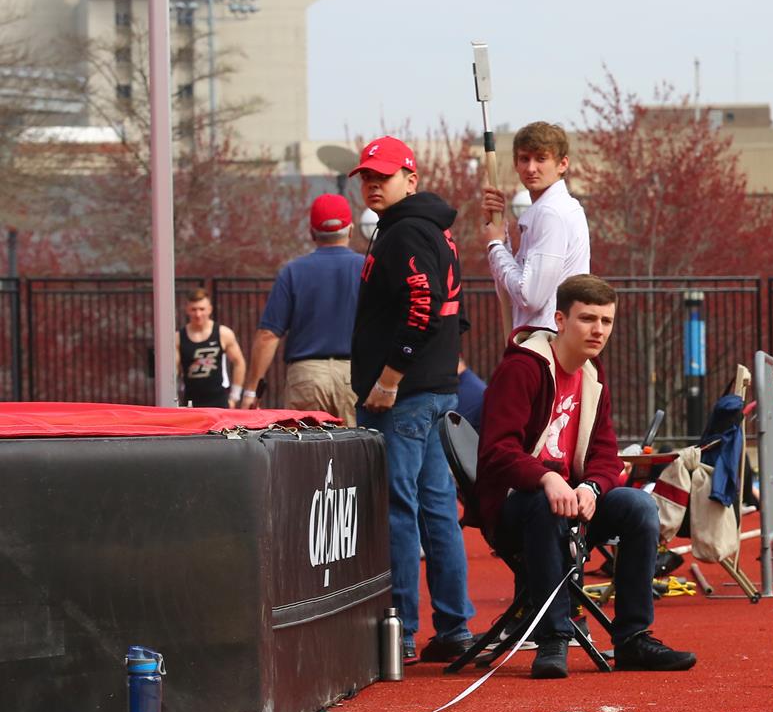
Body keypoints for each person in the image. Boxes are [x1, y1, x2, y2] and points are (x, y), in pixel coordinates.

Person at [474, 275, 696, 679]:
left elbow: (606, 455)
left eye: (607, 321)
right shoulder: (522, 369)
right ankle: (555, 635)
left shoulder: (593, 377)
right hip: (516, 509)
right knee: (545, 503)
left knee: (639, 506)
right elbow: (496, 451)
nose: (598, 330)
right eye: (587, 318)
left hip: (574, 504)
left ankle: (631, 638)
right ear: (560, 319)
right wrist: (545, 478)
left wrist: (592, 486)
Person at [349, 134, 475, 663]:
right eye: (367, 177)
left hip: (405, 395)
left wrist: (390, 376)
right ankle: (453, 626)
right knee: (437, 510)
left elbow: (420, 309)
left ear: (411, 178)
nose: (374, 184)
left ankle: (399, 631)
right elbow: (448, 310)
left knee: (400, 509)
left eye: (384, 175)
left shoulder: (405, 233)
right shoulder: (431, 229)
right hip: (432, 389)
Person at [238, 194, 366, 423]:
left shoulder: (293, 271)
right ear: (351, 230)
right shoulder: (366, 268)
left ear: (311, 232)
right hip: (355, 373)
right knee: (356, 454)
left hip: (306, 375)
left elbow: (268, 335)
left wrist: (251, 389)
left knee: (307, 454)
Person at [479, 121, 591, 335]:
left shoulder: (551, 213)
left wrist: (496, 246)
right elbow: (514, 289)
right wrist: (500, 237)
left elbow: (529, 297)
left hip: (545, 345)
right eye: (524, 159)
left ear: (562, 164)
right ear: (515, 164)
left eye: (541, 159)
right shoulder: (559, 208)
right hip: (552, 342)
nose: (531, 168)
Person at [176, 288, 245, 409]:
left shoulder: (223, 333)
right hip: (191, 401)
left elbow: (239, 363)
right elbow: (174, 372)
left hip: (219, 401)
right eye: (194, 309)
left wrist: (234, 397)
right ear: (187, 310)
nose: (198, 314)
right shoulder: (178, 338)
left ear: (210, 309)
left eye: (202, 309)